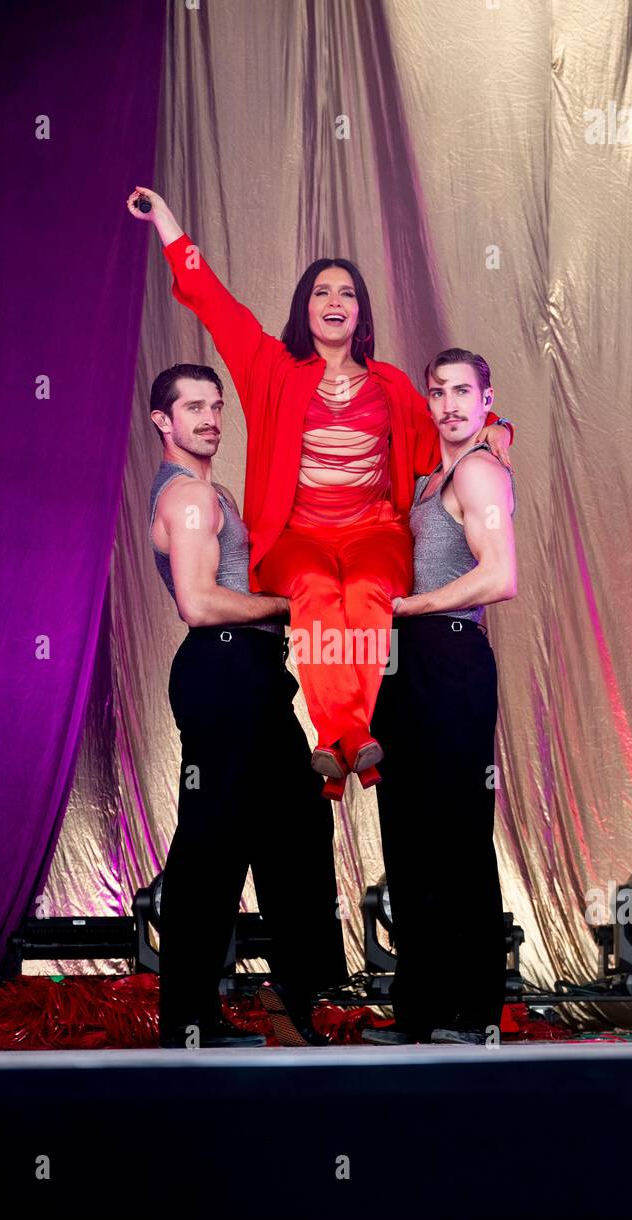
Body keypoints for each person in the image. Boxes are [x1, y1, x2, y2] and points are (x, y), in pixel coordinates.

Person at [127, 188, 514, 799]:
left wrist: (497, 429)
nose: (335, 301)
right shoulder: (269, 367)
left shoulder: (389, 384)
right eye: (322, 292)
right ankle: (350, 736)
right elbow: (213, 302)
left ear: (360, 312)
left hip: (374, 531)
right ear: (304, 308)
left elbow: (444, 434)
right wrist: (167, 225)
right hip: (296, 534)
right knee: (309, 592)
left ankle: (339, 744)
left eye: (348, 293)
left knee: (364, 593)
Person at [148, 363, 346, 1047]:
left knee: (293, 824)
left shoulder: (216, 493)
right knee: (212, 847)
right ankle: (189, 1022)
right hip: (223, 671)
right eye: (192, 407)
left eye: (216, 406)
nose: (209, 419)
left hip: (255, 675)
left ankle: (289, 997)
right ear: (162, 422)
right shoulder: (190, 501)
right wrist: (294, 606)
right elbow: (199, 603)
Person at [364, 348, 517, 1046]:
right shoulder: (430, 481)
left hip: (450, 652)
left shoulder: (479, 471)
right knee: (410, 841)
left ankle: (474, 1010)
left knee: (456, 836)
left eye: (464, 391)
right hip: (406, 664)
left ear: (485, 400)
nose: (450, 404)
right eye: (439, 392)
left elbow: (501, 575)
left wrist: (415, 604)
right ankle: (419, 1013)